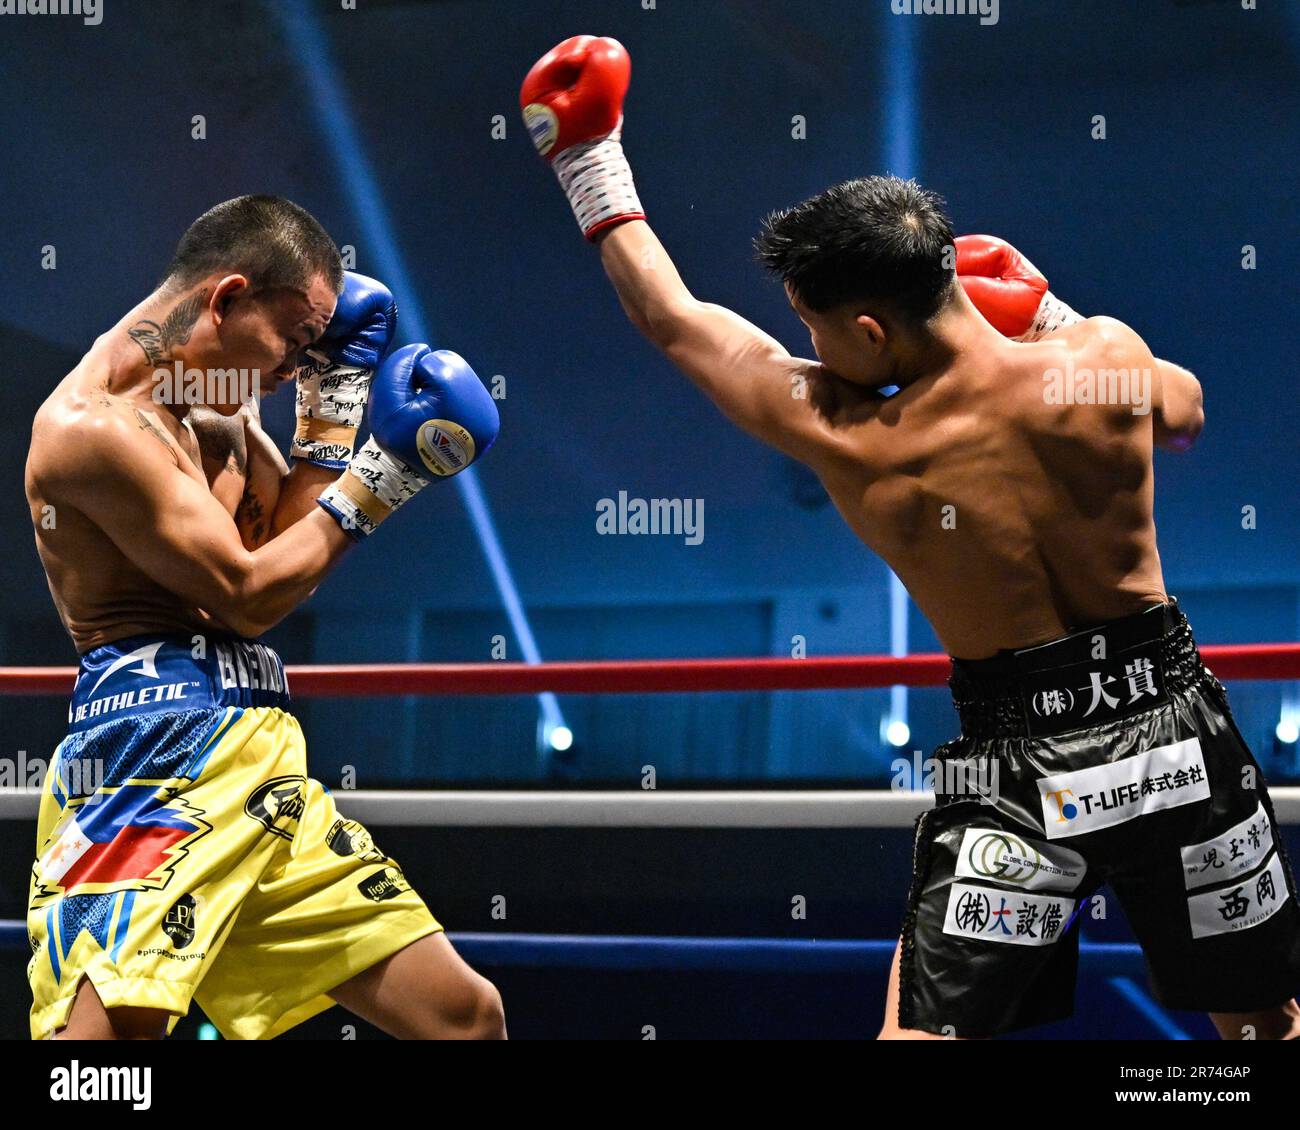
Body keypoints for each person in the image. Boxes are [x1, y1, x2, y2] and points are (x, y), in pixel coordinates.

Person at [520, 35, 1300, 1039]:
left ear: (871, 331)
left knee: (923, 1039)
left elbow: (673, 320)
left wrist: (586, 156)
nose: (809, 347)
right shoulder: (1097, 359)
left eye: (813, 324)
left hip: (1017, 758)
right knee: (1260, 1021)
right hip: (1172, 718)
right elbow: (1184, 409)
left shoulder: (854, 435)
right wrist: (1046, 317)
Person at [24, 194, 504, 1040]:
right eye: (293, 340)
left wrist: (336, 406)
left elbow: (284, 562)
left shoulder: (221, 402)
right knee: (102, 1062)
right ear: (227, 297)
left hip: (263, 758)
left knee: (464, 1016)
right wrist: (386, 474)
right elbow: (246, 594)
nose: (298, 363)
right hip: (148, 758)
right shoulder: (88, 429)